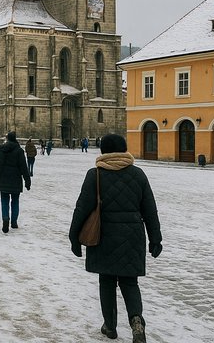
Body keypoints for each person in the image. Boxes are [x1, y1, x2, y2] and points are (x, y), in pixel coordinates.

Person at [69, 134, 162, 343]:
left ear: (103, 151)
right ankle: (136, 321)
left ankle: (110, 326)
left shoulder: (95, 175)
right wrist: (155, 238)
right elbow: (150, 209)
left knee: (107, 281)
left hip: (104, 235)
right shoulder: (138, 174)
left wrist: (74, 237)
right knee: (130, 282)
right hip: (133, 235)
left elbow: (82, 208)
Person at [0, 132, 31, 233]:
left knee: (4, 200)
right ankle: (13, 222)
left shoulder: (0, 150)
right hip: (16, 180)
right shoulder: (19, 151)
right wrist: (27, 181)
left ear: (7, 139)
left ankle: (5, 218)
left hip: (3, 179)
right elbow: (23, 167)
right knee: (15, 201)